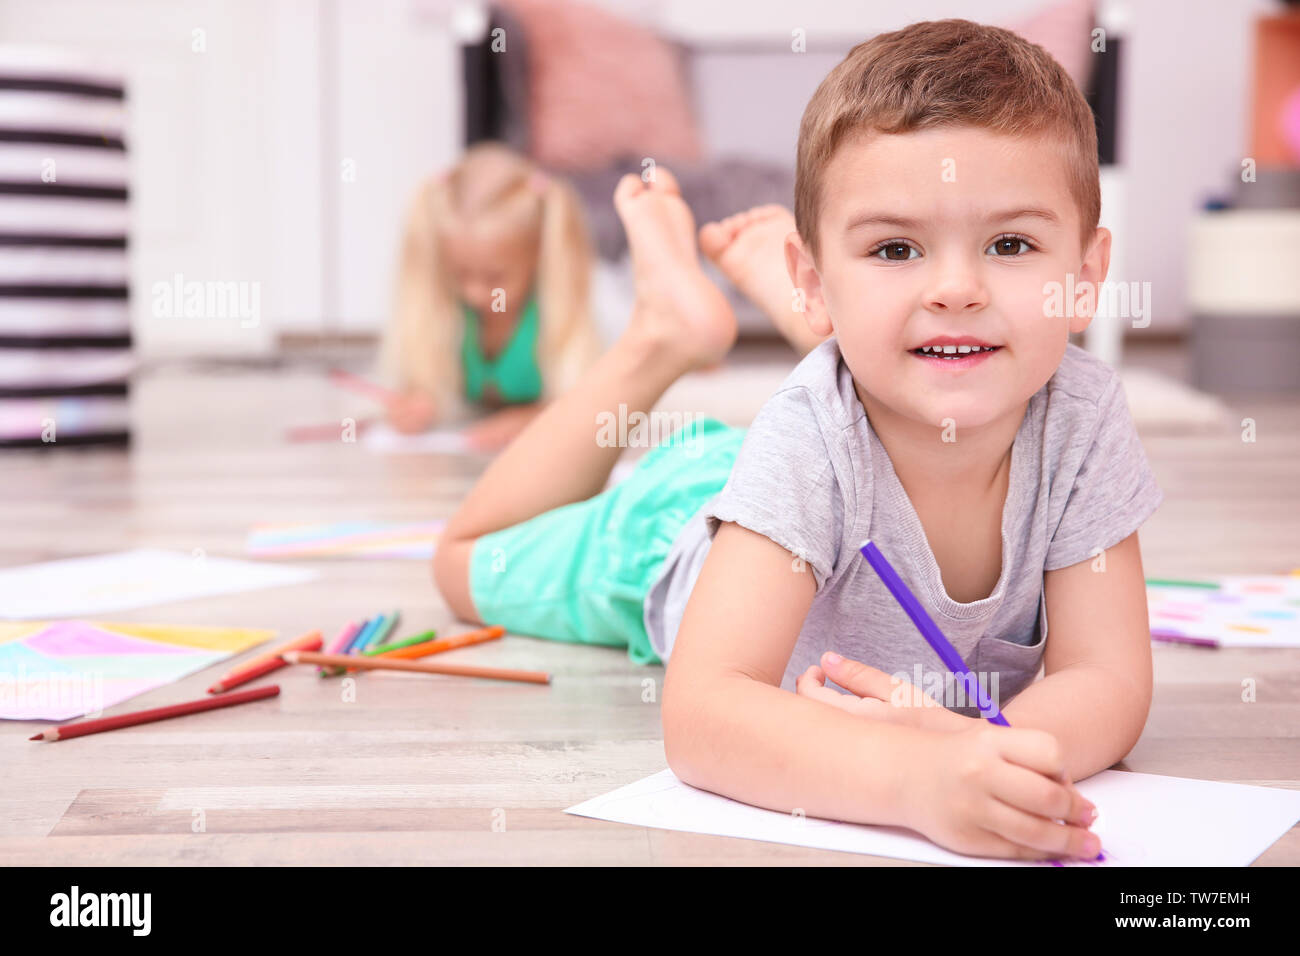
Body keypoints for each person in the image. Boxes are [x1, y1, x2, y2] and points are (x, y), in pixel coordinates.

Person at [434, 20, 1163, 862]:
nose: (958, 288)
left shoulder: (1085, 413)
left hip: (813, 460)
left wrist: (994, 751)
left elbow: (1108, 678)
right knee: (462, 561)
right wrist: (913, 775)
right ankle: (662, 336)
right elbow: (703, 716)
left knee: (879, 369)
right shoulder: (807, 441)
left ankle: (846, 327)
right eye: (897, 247)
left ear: (1086, 278)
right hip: (674, 523)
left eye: (1010, 244)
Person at [380, 142, 602, 450]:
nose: (474, 293)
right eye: (460, 274)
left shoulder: (556, 314)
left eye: (494, 278)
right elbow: (427, 390)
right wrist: (419, 402)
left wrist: (530, 420)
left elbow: (594, 409)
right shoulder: (444, 313)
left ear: (537, 257)